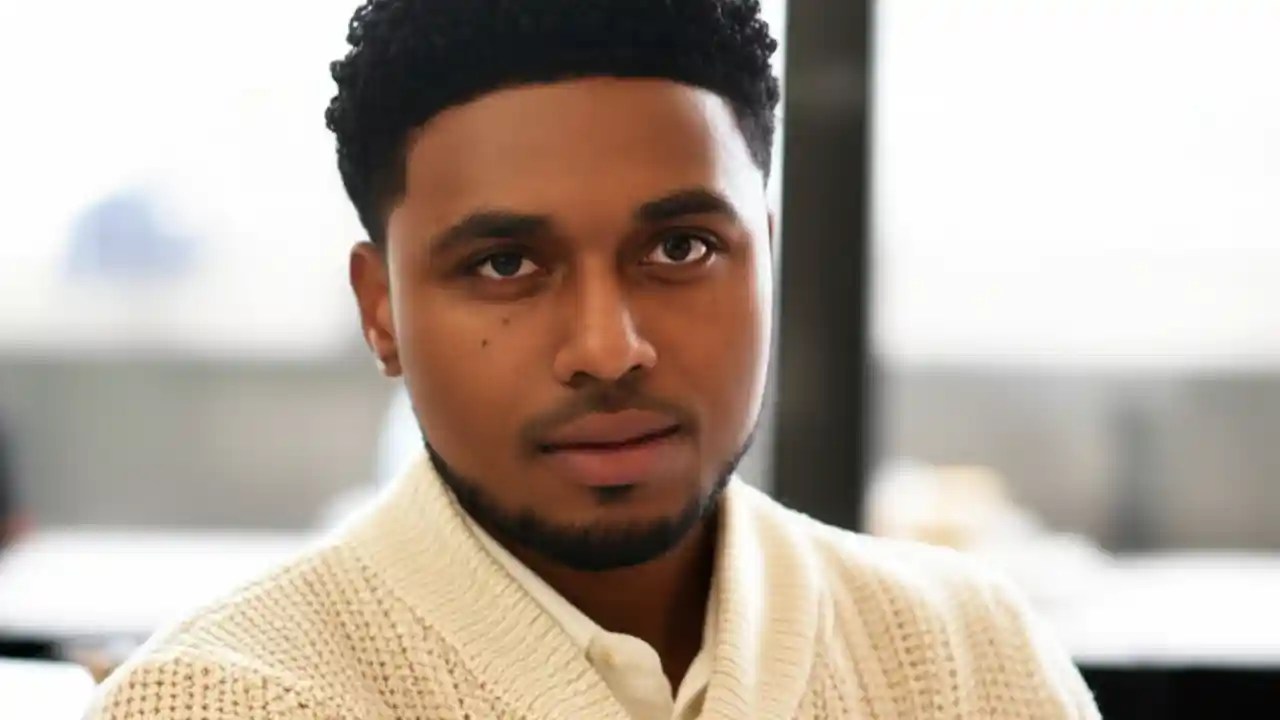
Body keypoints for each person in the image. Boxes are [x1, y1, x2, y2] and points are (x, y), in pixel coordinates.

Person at [91, 1, 1099, 717]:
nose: (608, 349)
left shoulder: (967, 660)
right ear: (381, 309)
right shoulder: (220, 699)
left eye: (680, 249)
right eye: (504, 263)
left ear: (768, 261)